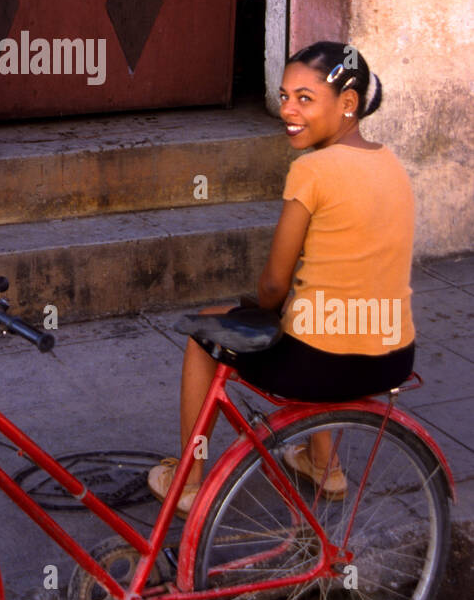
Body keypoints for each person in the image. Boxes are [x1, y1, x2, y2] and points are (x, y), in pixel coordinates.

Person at [148, 42, 417, 514]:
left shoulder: (311, 170)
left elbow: (273, 285)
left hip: (323, 365)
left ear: (348, 103)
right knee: (322, 318)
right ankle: (325, 467)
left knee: (204, 336)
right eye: (284, 96)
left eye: (305, 99)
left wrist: (260, 311)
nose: (288, 110)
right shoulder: (391, 163)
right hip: (391, 356)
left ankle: (188, 480)